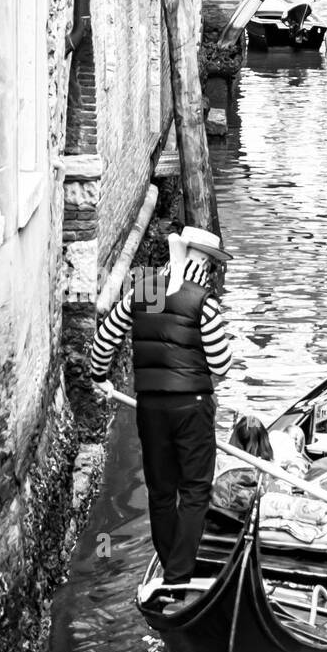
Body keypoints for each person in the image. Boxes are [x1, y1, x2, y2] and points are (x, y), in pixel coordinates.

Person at [90, 225, 233, 600]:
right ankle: (179, 575)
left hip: (150, 406)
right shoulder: (203, 300)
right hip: (192, 406)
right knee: (196, 488)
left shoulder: (146, 290)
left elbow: (105, 338)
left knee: (161, 490)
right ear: (203, 262)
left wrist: (99, 376)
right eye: (212, 264)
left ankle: (170, 563)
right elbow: (221, 364)